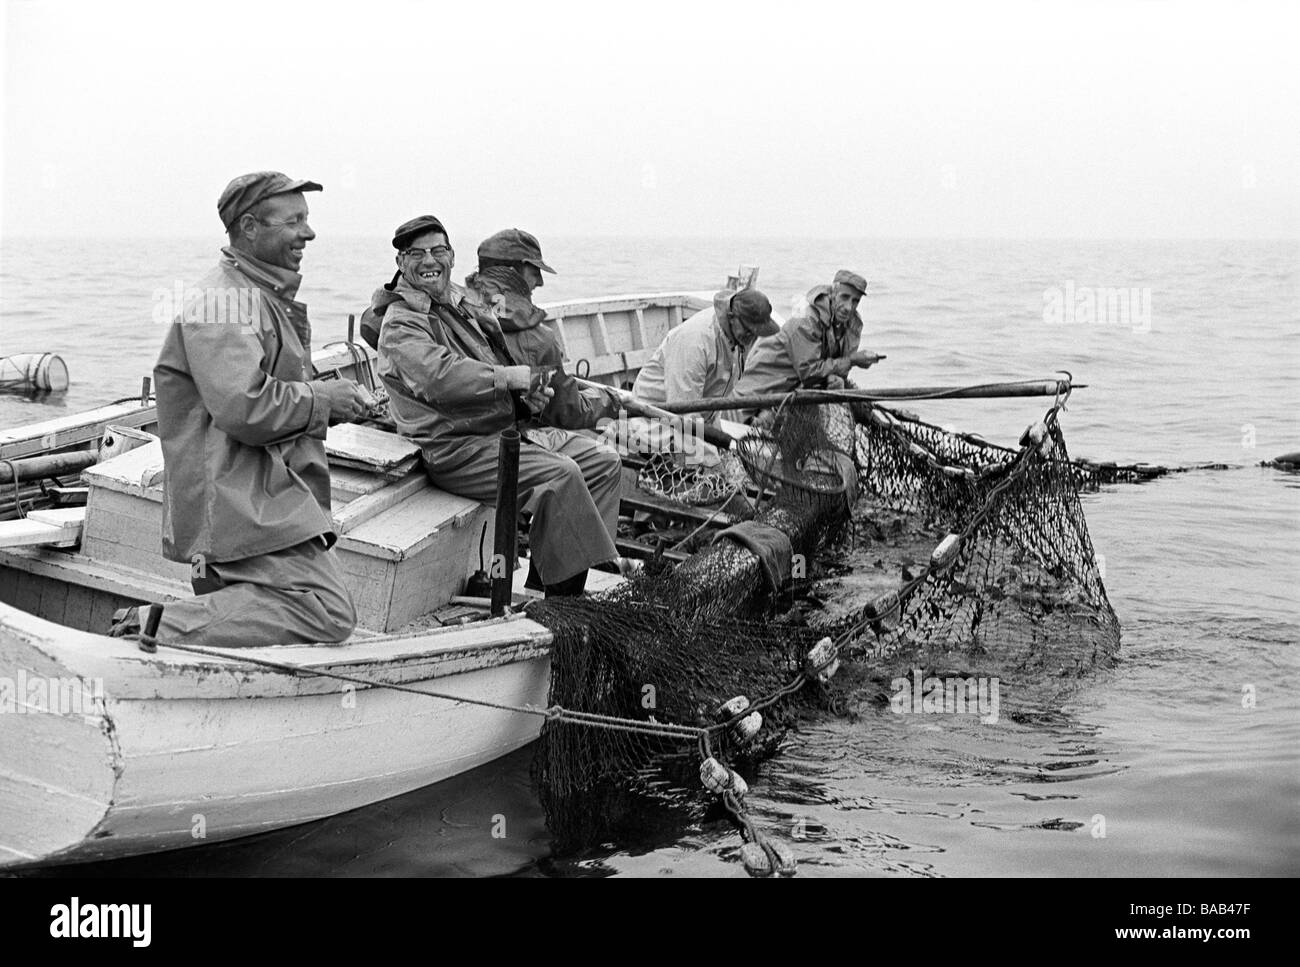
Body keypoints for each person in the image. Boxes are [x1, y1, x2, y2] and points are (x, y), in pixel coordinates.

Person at [114, 171, 373, 646]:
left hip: (258, 496)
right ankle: (154, 625)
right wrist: (323, 400)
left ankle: (171, 651)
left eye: (307, 219)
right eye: (294, 221)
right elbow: (244, 407)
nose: (308, 233)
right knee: (328, 612)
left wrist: (324, 400)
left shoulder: (258, 295)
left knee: (243, 627)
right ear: (250, 227)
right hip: (240, 502)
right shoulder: (222, 302)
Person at [371, 215, 620, 596]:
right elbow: (439, 377)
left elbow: (490, 368)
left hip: (501, 430)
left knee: (603, 463)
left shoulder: (458, 303)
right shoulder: (402, 322)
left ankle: (544, 580)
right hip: (457, 447)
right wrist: (512, 379)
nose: (429, 260)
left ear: (453, 256)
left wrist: (526, 401)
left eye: (438, 250)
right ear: (401, 264)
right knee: (561, 475)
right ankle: (564, 607)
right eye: (416, 254)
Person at [464, 228, 617, 431]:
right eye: (535, 272)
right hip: (510, 439)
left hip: (463, 433)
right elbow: (568, 413)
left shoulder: (455, 309)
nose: (541, 282)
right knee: (605, 455)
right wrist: (614, 401)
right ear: (512, 273)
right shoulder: (540, 339)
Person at [734, 270, 880, 420]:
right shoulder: (805, 320)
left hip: (792, 394)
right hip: (759, 392)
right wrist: (853, 361)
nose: (848, 307)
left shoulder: (852, 324)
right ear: (833, 292)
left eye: (855, 301)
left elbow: (837, 370)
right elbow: (810, 373)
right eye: (845, 297)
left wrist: (837, 377)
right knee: (741, 424)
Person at [632, 287, 778, 424]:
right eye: (748, 329)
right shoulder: (695, 342)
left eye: (756, 332)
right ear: (731, 317)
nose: (751, 336)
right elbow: (683, 412)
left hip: (701, 418)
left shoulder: (736, 338)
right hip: (653, 420)